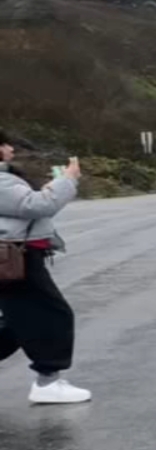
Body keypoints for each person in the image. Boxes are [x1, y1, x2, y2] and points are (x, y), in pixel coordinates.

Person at [0, 132, 90, 404]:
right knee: (52, 315)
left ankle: (48, 378)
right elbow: (36, 205)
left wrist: (56, 186)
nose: (10, 148)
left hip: (16, 256)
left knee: (18, 322)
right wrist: (68, 179)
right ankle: (47, 381)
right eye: (4, 144)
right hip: (15, 258)